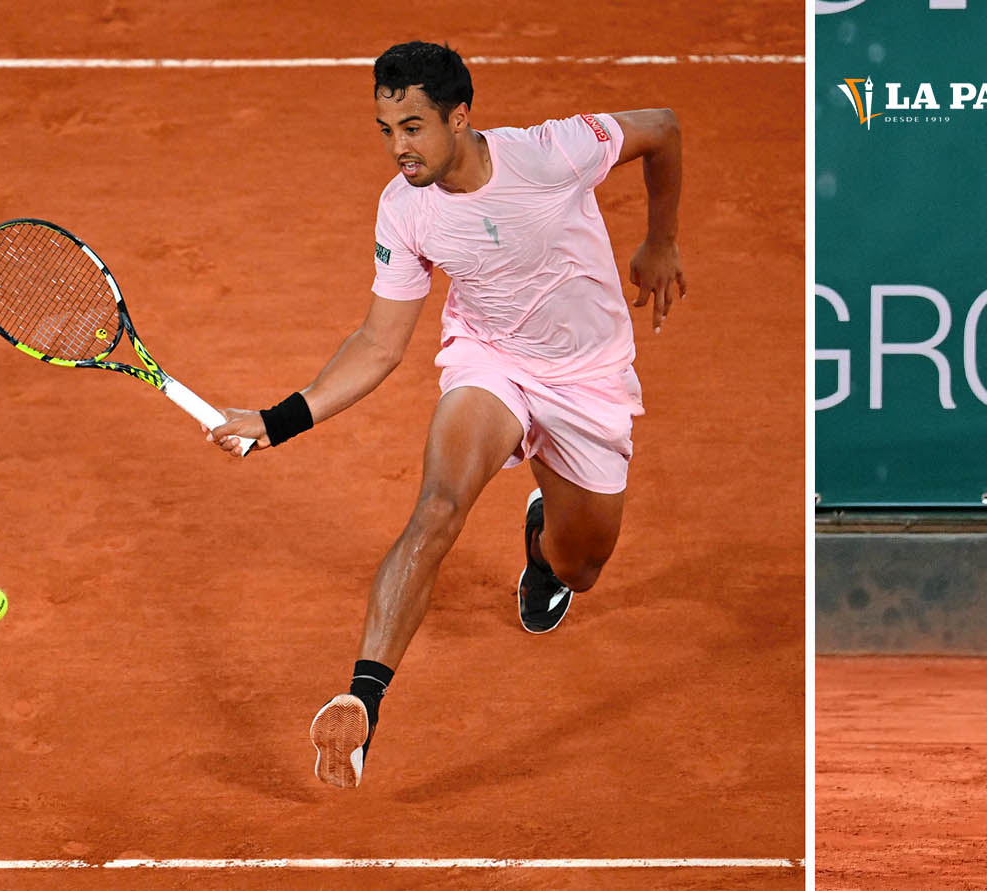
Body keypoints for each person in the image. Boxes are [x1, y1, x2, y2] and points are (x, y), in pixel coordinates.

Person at [208, 41, 686, 789]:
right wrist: (278, 419)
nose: (399, 148)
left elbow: (662, 127)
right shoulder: (405, 210)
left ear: (459, 117)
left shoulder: (553, 152)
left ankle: (542, 543)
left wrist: (659, 240)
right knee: (437, 508)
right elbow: (377, 342)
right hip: (490, 362)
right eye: (385, 129)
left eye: (413, 127)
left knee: (582, 564)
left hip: (587, 377)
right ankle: (362, 699)